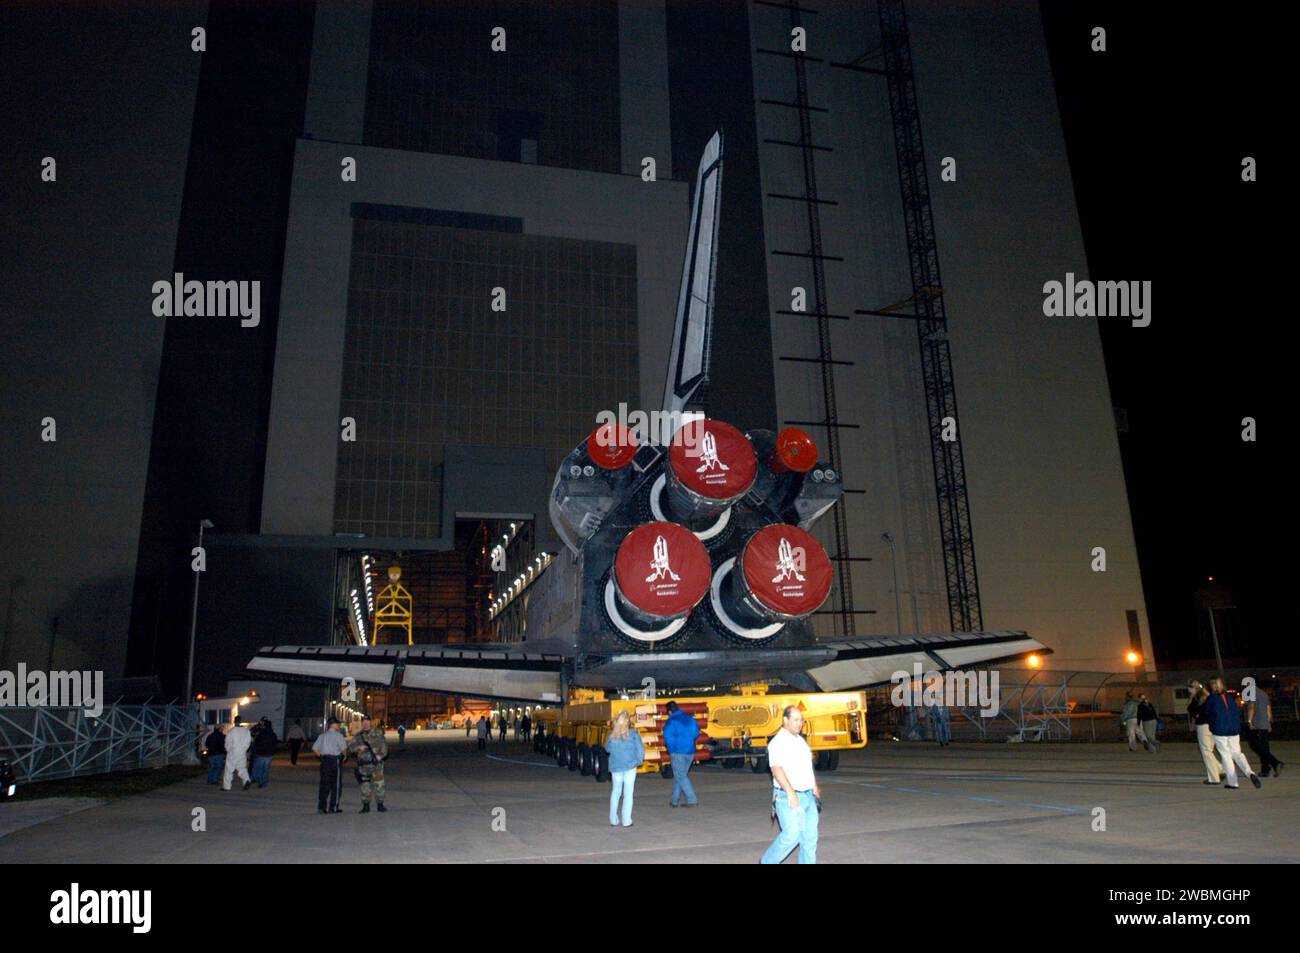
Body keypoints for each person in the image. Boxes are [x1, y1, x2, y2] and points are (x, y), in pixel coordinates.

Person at [761, 705, 821, 864]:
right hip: (789, 798)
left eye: (801, 720)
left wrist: (813, 785)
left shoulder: (800, 741)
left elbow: (806, 765)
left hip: (807, 797)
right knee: (792, 835)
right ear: (785, 720)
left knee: (809, 839)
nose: (799, 723)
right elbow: (776, 769)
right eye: (795, 720)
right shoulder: (778, 742)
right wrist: (790, 793)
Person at [1203, 677, 1261, 790]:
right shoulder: (1229, 697)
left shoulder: (1212, 699)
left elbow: (1208, 713)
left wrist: (1211, 724)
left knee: (1225, 755)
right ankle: (1250, 772)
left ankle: (1233, 782)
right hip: (1233, 729)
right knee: (1237, 753)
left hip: (1220, 730)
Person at [605, 710, 645, 827]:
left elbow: (607, 749)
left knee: (616, 792)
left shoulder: (612, 736)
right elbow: (640, 749)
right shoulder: (633, 734)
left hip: (616, 768)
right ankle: (626, 821)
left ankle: (613, 819)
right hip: (630, 767)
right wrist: (638, 761)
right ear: (628, 722)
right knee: (628, 794)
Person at [347, 715, 389, 813]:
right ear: (362, 723)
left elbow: (384, 746)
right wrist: (358, 747)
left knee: (379, 785)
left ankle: (380, 804)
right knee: (365, 786)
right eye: (364, 721)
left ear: (370, 722)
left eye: (367, 721)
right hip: (364, 765)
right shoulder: (358, 735)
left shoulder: (378, 733)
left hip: (376, 764)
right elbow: (349, 748)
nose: (365, 723)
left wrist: (380, 755)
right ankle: (366, 806)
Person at [662, 701, 699, 807]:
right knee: (680, 776)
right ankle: (674, 801)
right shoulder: (690, 718)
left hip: (678, 752)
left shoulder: (671, 721)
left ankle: (692, 800)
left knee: (681, 776)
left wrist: (671, 750)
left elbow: (668, 738)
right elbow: (696, 733)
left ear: (669, 712)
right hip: (690, 751)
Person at [1245, 682, 1283, 777]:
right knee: (1264, 747)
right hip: (1264, 724)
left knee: (1254, 745)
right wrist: (1269, 723)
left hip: (1256, 724)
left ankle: (1275, 762)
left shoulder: (1251, 694)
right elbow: (1268, 709)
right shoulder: (1264, 694)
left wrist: (1249, 721)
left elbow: (1251, 708)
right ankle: (1265, 769)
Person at [1187, 681, 1223, 784]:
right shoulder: (1208, 696)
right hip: (1212, 725)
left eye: (1189, 689)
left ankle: (1214, 778)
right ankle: (1220, 769)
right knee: (1209, 751)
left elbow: (1192, 710)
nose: (1189, 691)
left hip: (1203, 726)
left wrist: (1197, 714)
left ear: (1193, 688)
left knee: (1206, 752)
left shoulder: (1197, 697)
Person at [313, 716, 347, 814]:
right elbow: (343, 749)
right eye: (338, 724)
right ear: (334, 725)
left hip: (324, 761)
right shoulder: (339, 736)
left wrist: (321, 757)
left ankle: (321, 807)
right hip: (334, 761)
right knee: (336, 785)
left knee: (324, 784)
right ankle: (333, 807)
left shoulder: (322, 736)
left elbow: (315, 749)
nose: (339, 725)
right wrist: (344, 756)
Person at [223, 718, 252, 791]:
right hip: (242, 753)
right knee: (242, 768)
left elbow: (227, 742)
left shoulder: (232, 731)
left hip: (233, 753)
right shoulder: (246, 731)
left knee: (229, 770)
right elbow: (248, 742)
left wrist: (229, 750)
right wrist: (244, 750)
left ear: (234, 722)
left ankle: (227, 786)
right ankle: (246, 780)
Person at [251, 717, 277, 787]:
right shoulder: (273, 734)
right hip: (269, 754)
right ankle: (264, 783)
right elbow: (275, 744)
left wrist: (258, 725)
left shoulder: (261, 733)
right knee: (265, 769)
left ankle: (258, 780)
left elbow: (252, 733)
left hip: (261, 754)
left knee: (258, 769)